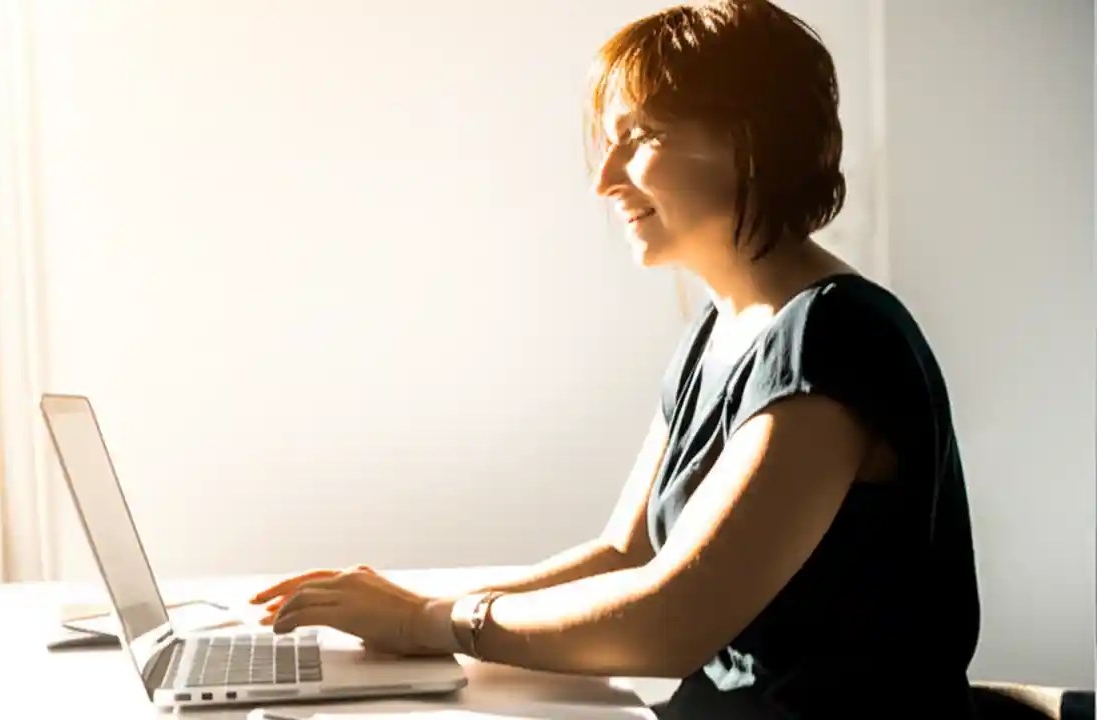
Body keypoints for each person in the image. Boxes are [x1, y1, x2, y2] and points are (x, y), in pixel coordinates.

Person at [248, 1, 983, 717]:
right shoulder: (718, 335)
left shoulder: (836, 335)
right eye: (608, 141)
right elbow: (625, 556)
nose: (606, 179)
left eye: (641, 136)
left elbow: (673, 620)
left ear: (755, 137)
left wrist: (433, 622)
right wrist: (418, 612)